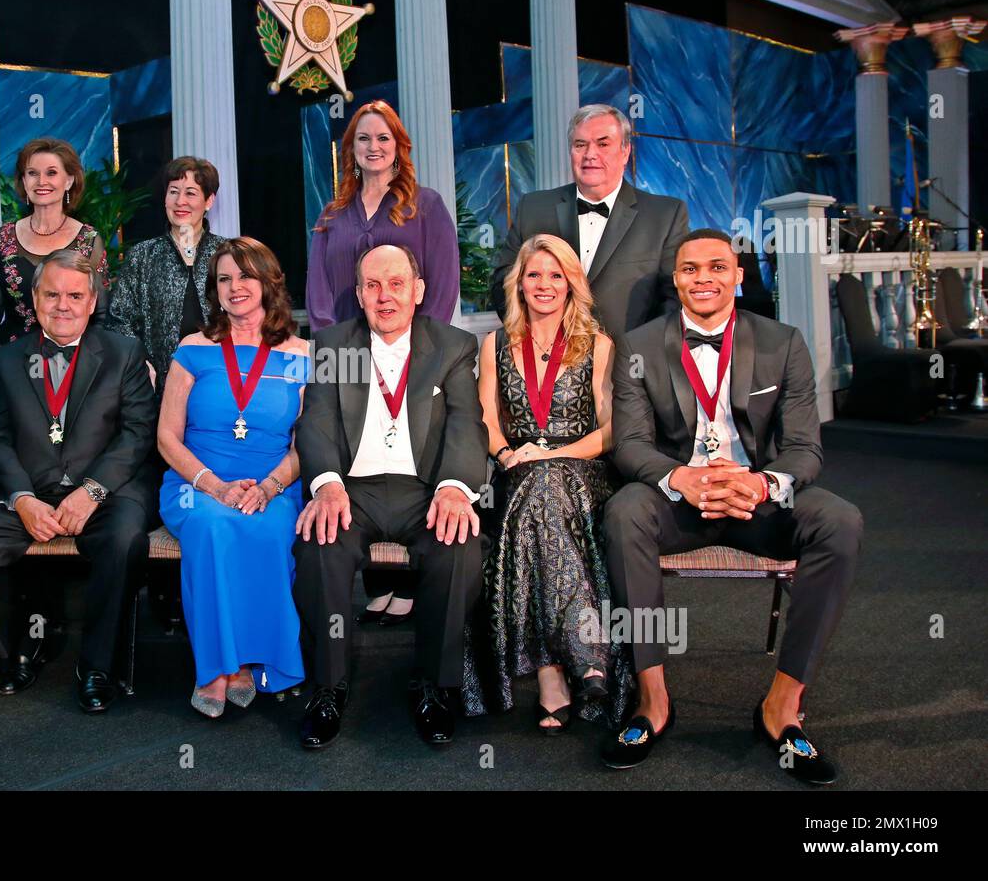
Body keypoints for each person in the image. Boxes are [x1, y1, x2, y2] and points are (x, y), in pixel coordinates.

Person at [602, 228, 862, 784]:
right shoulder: (639, 346)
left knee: (841, 520)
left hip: (757, 502)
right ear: (676, 279)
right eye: (691, 269)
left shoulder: (782, 341)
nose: (704, 279)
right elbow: (630, 445)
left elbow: (805, 447)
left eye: (717, 267)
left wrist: (764, 483)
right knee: (624, 513)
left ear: (738, 276)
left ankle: (783, 707)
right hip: (680, 502)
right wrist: (680, 477)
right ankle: (653, 702)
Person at [0, 250, 157, 715]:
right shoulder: (4, 361)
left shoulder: (124, 353)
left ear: (92, 300)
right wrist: (21, 499)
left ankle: (98, 665)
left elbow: (138, 432)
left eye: (75, 295)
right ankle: (20, 643)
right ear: (35, 300)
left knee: (124, 541)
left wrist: (92, 491)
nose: (64, 305)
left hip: (106, 491)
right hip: (29, 492)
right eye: (52, 294)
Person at [293, 243, 487, 749]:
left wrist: (454, 488)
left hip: (424, 489)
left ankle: (435, 687)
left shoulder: (452, 346)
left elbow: (468, 423)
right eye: (373, 286)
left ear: (418, 291)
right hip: (351, 489)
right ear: (358, 294)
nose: (385, 297)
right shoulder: (334, 344)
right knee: (319, 546)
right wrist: (327, 483)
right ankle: (327, 688)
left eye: (397, 284)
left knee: (459, 547)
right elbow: (315, 420)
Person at [461, 234, 631, 732]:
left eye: (556, 275)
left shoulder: (597, 345)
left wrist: (553, 453)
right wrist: (509, 453)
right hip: (515, 471)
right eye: (534, 274)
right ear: (520, 283)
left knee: (545, 485)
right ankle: (586, 661)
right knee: (534, 488)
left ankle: (554, 672)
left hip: (581, 472)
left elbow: (610, 429)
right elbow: (486, 419)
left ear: (572, 284)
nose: (545, 284)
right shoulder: (495, 344)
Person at [307, 100, 460, 627]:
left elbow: (440, 286)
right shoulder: (332, 215)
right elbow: (321, 292)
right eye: (362, 139)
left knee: (407, 447)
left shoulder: (428, 205)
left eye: (383, 139)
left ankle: (410, 582)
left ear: (399, 147)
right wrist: (333, 345)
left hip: (410, 352)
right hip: (349, 356)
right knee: (358, 450)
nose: (373, 147)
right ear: (350, 150)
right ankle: (378, 582)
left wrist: (422, 354)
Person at [156, 238, 310, 718]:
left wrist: (269, 487)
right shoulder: (193, 349)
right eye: (224, 278)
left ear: (268, 282)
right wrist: (214, 485)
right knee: (211, 524)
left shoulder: (304, 353)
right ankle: (217, 669)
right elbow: (166, 437)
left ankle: (247, 662)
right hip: (195, 483)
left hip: (275, 483)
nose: (235, 287)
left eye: (245, 276)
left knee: (267, 528)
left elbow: (308, 443)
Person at [489, 104, 689, 341]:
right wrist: (535, 338)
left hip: (629, 366)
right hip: (547, 363)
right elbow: (504, 283)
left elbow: (675, 297)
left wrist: (642, 354)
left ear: (625, 152)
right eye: (580, 145)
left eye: (603, 144)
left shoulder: (665, 214)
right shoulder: (534, 207)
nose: (590, 154)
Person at [0, 137, 109, 361]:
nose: (41, 181)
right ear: (23, 180)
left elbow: (101, 314)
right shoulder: (4, 237)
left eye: (51, 173)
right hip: (12, 362)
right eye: (32, 173)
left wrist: (91, 363)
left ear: (69, 180)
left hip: (73, 363)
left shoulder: (88, 240)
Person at [108, 156, 227, 400]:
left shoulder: (227, 253)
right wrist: (140, 363)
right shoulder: (142, 255)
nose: (180, 201)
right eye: (173, 191)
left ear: (209, 201)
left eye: (191, 193)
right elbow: (119, 318)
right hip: (155, 388)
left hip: (221, 382)